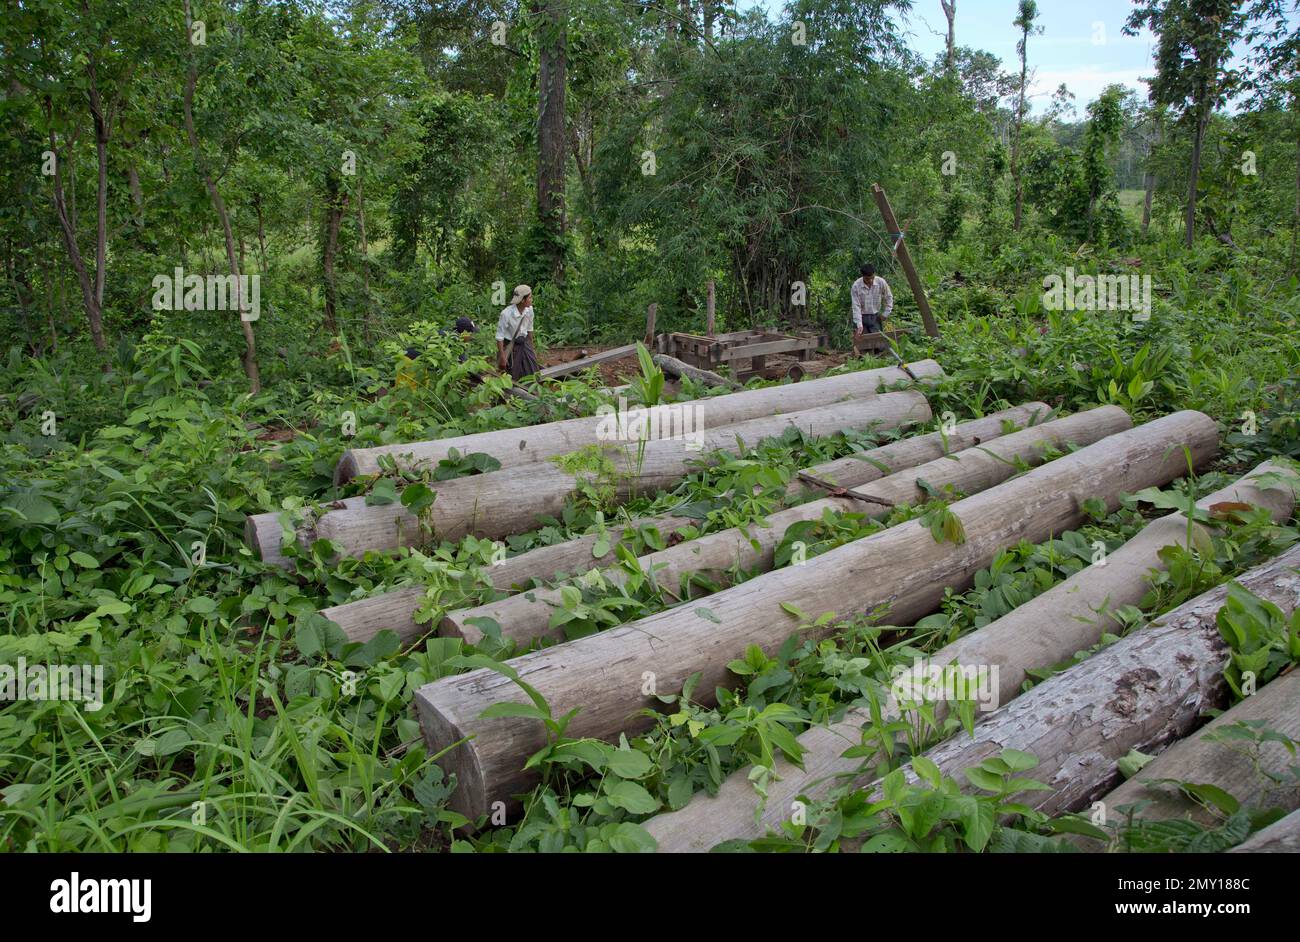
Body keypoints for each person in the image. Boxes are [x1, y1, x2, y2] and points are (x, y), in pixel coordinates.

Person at [496, 284, 541, 380]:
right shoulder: (506, 314)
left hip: (524, 344)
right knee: (512, 374)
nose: (532, 299)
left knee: (532, 370)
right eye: (530, 297)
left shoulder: (529, 310)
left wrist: (532, 349)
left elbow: (529, 329)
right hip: (510, 346)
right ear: (522, 300)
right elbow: (499, 337)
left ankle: (530, 390)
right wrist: (502, 357)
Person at [851, 262, 893, 342]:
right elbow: (856, 307)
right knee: (863, 343)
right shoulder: (856, 286)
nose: (870, 280)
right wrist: (859, 325)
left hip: (875, 317)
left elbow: (889, 297)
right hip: (861, 317)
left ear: (874, 275)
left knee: (879, 343)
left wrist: (886, 313)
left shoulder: (881, 282)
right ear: (863, 276)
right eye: (867, 279)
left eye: (872, 278)